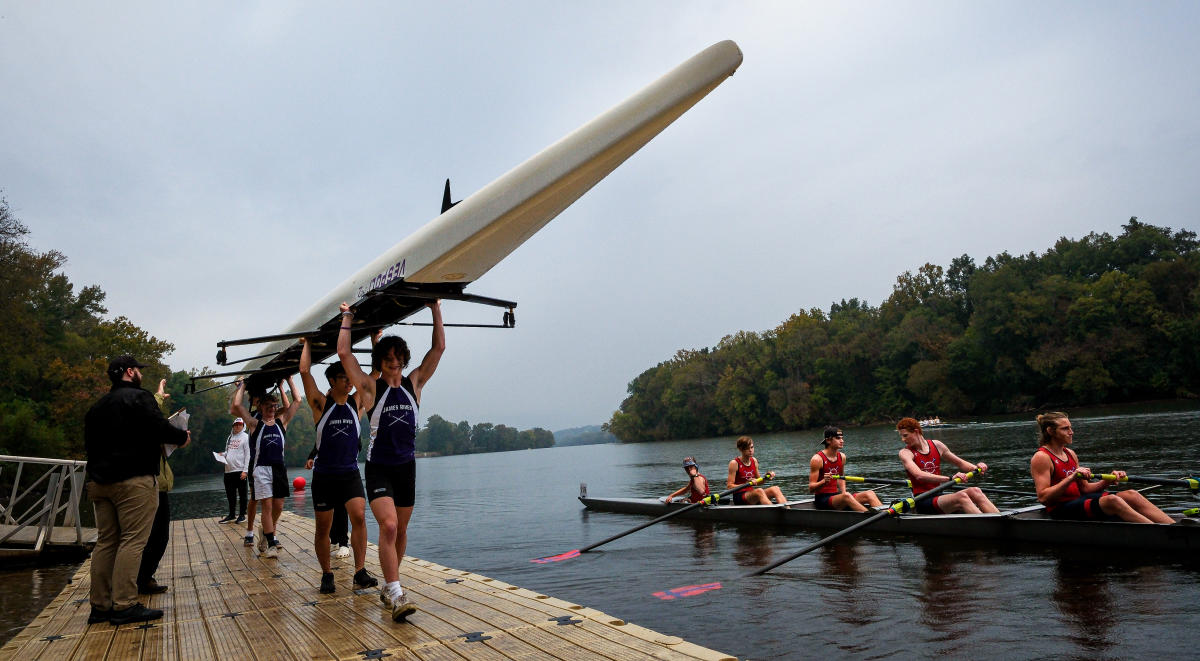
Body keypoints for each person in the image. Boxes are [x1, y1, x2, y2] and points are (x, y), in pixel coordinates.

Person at [337, 300, 444, 622]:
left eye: (398, 357)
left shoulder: (415, 383)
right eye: (388, 357)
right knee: (389, 525)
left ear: (403, 359)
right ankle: (397, 593)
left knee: (401, 530)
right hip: (379, 467)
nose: (394, 362)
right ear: (380, 361)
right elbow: (344, 354)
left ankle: (389, 584)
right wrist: (347, 317)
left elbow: (438, 348)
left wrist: (435, 309)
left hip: (406, 468)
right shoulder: (371, 388)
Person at [84, 356, 189, 625]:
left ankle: (100, 606)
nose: (141, 374)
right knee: (132, 541)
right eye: (138, 370)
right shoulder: (140, 398)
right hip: (133, 481)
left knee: (106, 542)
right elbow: (159, 427)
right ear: (130, 372)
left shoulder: (97, 407)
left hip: (99, 482)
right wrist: (181, 437)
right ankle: (125, 604)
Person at [298, 337, 379, 593]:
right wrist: (307, 343)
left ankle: (359, 571)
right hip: (324, 477)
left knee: (359, 516)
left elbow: (375, 372)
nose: (349, 381)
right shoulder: (321, 404)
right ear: (332, 381)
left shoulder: (357, 403)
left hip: (350, 474)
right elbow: (304, 371)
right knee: (323, 528)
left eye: (349, 377)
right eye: (344, 378)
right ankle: (327, 574)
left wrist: (376, 341)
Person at [1031, 412, 1174, 523]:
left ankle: (1174, 527)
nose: (1071, 432)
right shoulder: (1042, 457)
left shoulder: (1070, 454)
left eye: (1070, 427)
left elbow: (1085, 489)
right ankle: (1160, 533)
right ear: (1050, 431)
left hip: (1078, 501)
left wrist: (1107, 481)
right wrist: (1071, 477)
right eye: (1065, 429)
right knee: (1112, 500)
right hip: (1060, 509)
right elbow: (1043, 498)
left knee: (1132, 494)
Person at [231, 376, 301, 558]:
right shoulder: (255, 424)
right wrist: (243, 386)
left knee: (279, 506)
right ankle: (270, 544)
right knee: (267, 507)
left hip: (279, 469)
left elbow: (297, 400)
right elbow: (237, 406)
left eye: (274, 406)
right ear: (261, 407)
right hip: (261, 469)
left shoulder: (282, 422)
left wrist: (288, 380)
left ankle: (266, 532)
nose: (272, 409)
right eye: (268, 406)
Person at [136, 379, 184, 596]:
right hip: (150, 484)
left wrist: (159, 395)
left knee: (157, 536)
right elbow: (150, 415)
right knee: (155, 536)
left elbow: (151, 413)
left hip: (157, 484)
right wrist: (179, 437)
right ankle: (142, 579)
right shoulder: (140, 419)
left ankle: (144, 577)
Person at [896, 417, 998, 514]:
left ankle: (1000, 520)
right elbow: (919, 475)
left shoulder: (937, 445)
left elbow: (960, 463)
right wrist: (950, 478)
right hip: (922, 500)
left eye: (905, 435)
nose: (903, 439)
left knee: (975, 491)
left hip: (938, 496)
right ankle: (987, 523)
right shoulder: (905, 453)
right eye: (901, 436)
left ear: (916, 431)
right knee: (961, 497)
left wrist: (976, 467)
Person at [809, 426, 882, 512]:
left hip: (837, 497)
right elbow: (811, 488)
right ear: (828, 440)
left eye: (842, 438)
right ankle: (872, 517)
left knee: (869, 493)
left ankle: (886, 515)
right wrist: (823, 482)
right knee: (847, 496)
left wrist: (843, 492)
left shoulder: (842, 457)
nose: (842, 441)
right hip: (822, 500)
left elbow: (841, 477)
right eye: (838, 438)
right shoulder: (817, 459)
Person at [726, 436, 787, 505]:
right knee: (759, 491)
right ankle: (773, 511)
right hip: (739, 497)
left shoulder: (754, 461)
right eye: (747, 448)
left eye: (752, 447)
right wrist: (746, 484)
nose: (750, 450)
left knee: (775, 489)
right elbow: (729, 486)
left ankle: (786, 510)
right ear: (741, 449)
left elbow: (759, 482)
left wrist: (766, 477)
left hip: (752, 494)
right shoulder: (734, 463)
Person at [219, 418, 250, 523]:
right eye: (236, 424)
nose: (237, 426)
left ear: (243, 426)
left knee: (242, 495)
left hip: (240, 470)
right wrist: (222, 454)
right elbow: (228, 452)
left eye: (240, 424)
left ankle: (242, 515)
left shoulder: (246, 437)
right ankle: (231, 515)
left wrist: (245, 471)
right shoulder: (230, 437)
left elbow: (248, 455)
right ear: (233, 426)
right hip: (228, 471)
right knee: (230, 495)